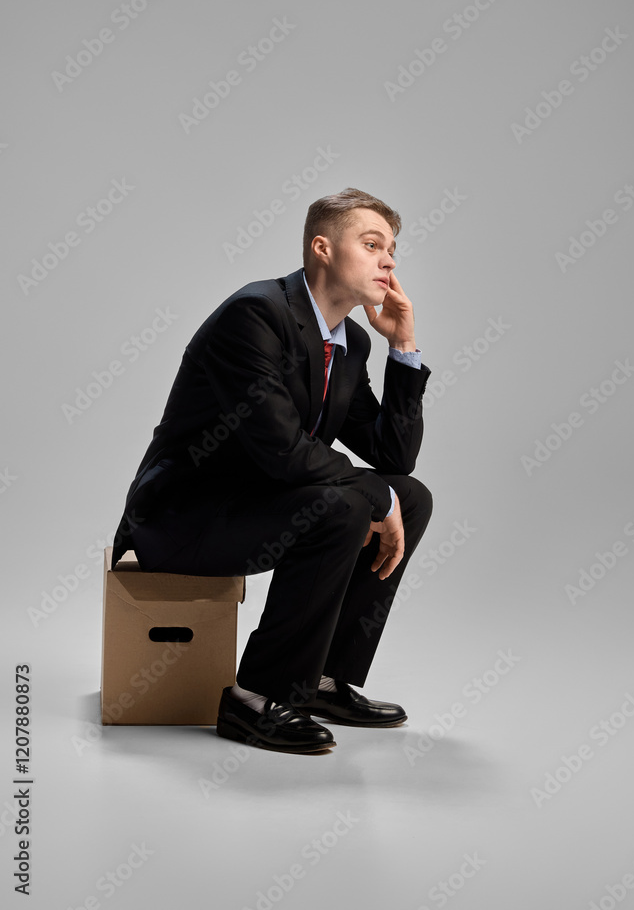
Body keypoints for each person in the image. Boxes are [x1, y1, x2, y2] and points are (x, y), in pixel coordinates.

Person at [111, 187, 433, 753]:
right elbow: (282, 449)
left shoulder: (351, 343)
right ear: (322, 248)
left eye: (392, 250)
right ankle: (256, 698)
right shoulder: (255, 314)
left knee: (408, 495)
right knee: (349, 501)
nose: (388, 261)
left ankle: (322, 680)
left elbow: (393, 456)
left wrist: (403, 347)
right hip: (185, 518)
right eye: (372, 244)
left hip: (258, 503)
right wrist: (371, 493)